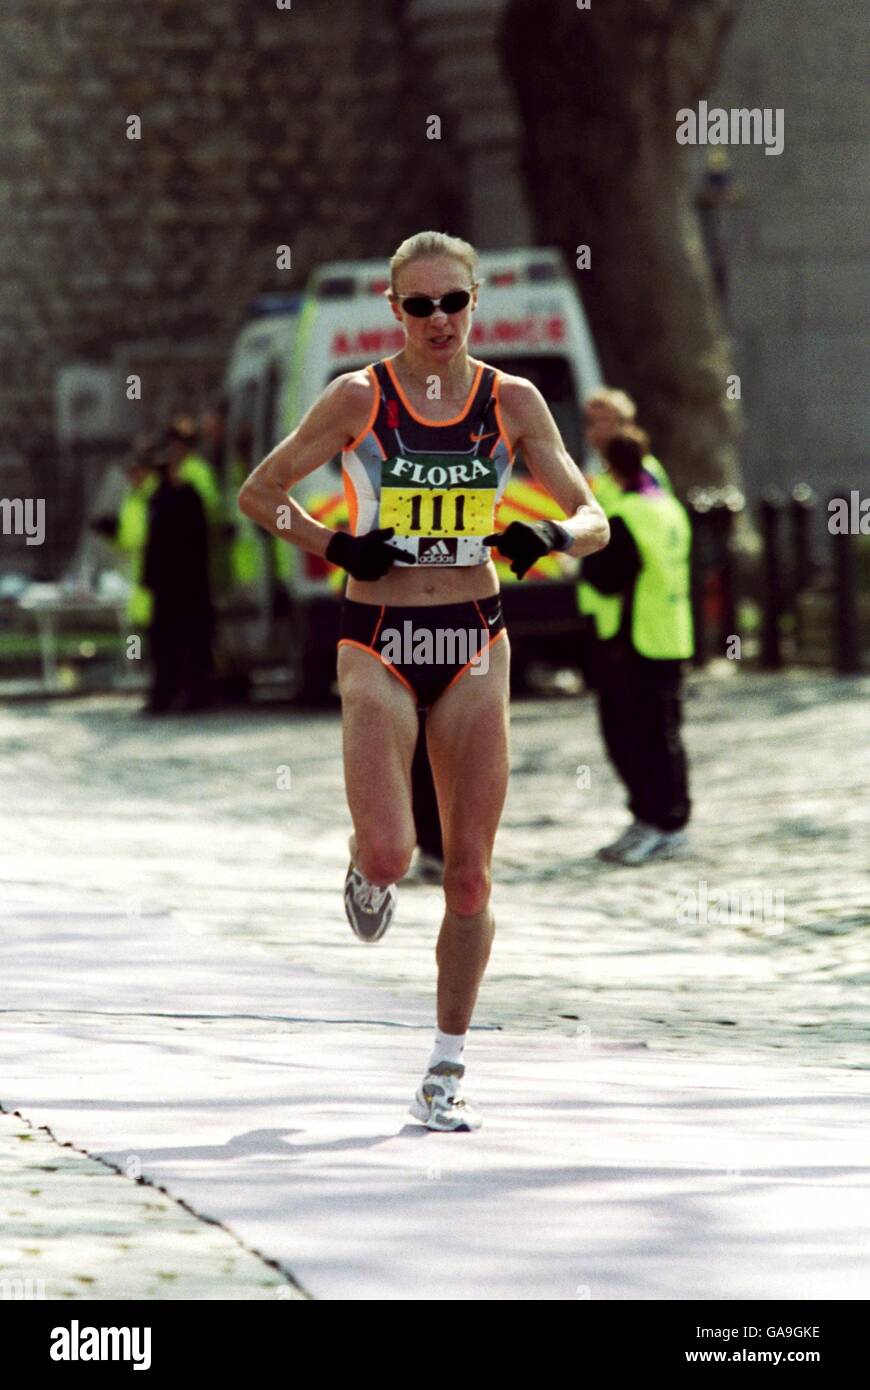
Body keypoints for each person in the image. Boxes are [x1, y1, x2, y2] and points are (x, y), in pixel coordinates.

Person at [239, 230, 608, 1130]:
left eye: (454, 302)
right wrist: (334, 544)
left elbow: (593, 515)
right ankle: (367, 874)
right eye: (419, 304)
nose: (438, 320)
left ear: (474, 303)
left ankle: (445, 1067)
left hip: (476, 635)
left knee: (472, 875)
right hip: (376, 634)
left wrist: (549, 537)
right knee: (393, 852)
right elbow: (260, 492)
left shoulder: (513, 401)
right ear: (394, 312)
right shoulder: (358, 397)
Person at [579, 425, 694, 865]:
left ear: (610, 466)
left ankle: (661, 823)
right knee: (662, 736)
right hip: (669, 635)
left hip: (630, 643)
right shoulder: (668, 507)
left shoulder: (625, 515)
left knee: (631, 737)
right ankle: (659, 820)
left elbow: (606, 579)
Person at [143, 436, 215, 714]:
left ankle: (196, 694)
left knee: (194, 642)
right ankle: (165, 695)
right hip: (167, 585)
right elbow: (154, 545)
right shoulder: (158, 499)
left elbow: (197, 542)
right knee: (164, 645)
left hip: (189, 584)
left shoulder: (188, 496)